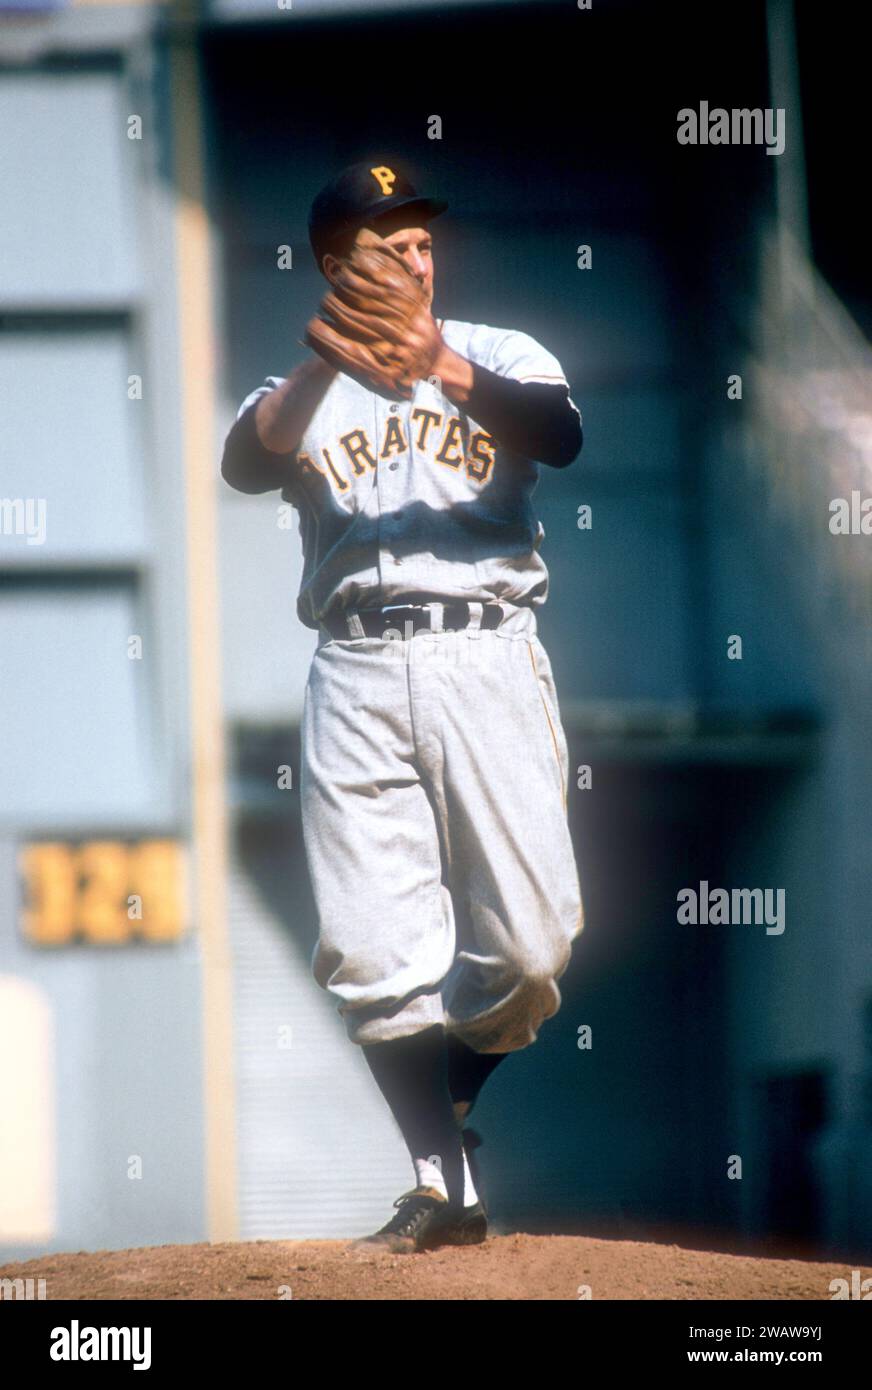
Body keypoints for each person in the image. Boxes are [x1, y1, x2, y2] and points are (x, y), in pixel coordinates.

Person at [221, 159, 585, 1253]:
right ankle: (440, 1183)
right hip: (358, 663)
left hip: (489, 652)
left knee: (530, 950)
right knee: (374, 949)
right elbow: (249, 461)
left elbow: (558, 434)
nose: (414, 258)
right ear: (338, 267)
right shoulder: (299, 390)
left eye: (421, 240)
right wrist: (318, 367)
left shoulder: (499, 353)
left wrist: (440, 365)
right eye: (387, 244)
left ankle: (446, 1117)